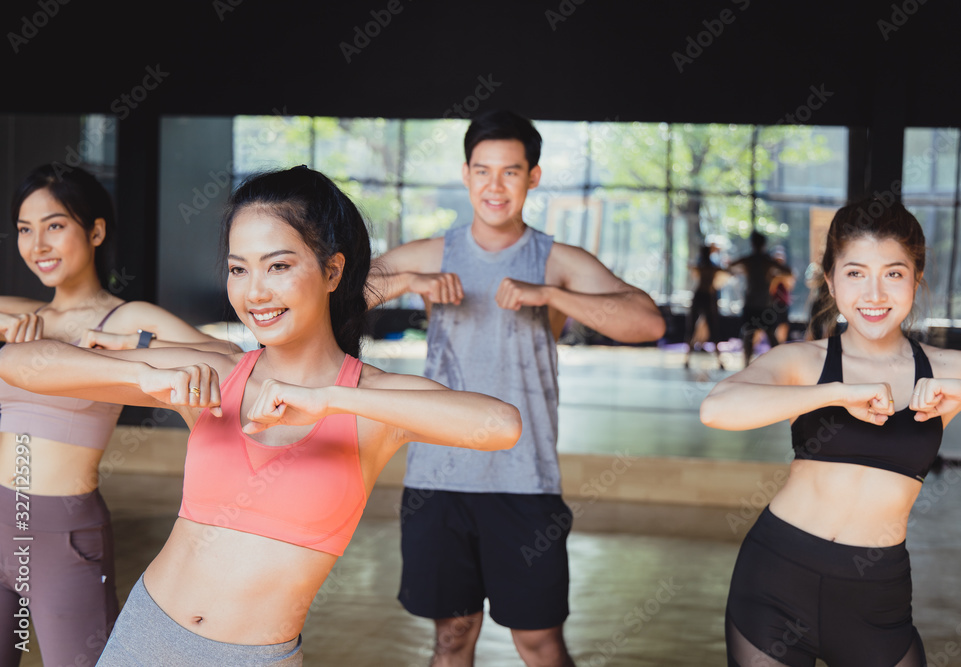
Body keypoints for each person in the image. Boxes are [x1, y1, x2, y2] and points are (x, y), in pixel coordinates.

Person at [0, 166, 522, 666]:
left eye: (278, 266)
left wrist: (330, 399)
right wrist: (144, 376)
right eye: (237, 269)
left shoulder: (374, 401)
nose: (255, 293)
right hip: (144, 639)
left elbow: (501, 426)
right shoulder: (220, 373)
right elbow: (18, 364)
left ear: (332, 270)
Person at [368, 110, 666, 667]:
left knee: (538, 642)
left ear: (533, 176)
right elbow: (332, 297)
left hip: (524, 481)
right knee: (452, 638)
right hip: (438, 479)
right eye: (482, 171)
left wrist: (549, 295)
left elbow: (646, 323)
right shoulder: (434, 253)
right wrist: (409, 282)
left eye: (510, 172)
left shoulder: (554, 261)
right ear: (465, 174)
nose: (494, 186)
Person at [700, 197, 961, 667]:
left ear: (916, 279)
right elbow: (717, 409)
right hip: (776, 579)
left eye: (894, 274)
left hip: (876, 596)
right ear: (830, 280)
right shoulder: (805, 361)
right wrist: (835, 393)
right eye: (856, 273)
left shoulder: (945, 369)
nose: (874, 294)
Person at [0, 163, 237, 666]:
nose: (37, 243)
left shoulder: (125, 318)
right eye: (25, 229)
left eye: (55, 225)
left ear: (96, 231)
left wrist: (132, 346)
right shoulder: (21, 316)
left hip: (60, 531)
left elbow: (230, 358)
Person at [728, 230, 792, 367]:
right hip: (763, 304)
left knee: (750, 335)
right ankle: (779, 363)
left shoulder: (750, 260)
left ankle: (746, 365)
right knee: (769, 335)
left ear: (752, 243)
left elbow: (731, 265)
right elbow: (787, 271)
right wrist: (774, 275)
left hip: (753, 304)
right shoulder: (767, 261)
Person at [685, 243, 729, 370]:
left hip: (702, 296)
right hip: (706, 297)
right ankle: (718, 361)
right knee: (710, 327)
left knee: (700, 327)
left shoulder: (703, 266)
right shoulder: (708, 267)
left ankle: (688, 359)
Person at [768, 245, 795, 344]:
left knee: (783, 325)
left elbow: (790, 285)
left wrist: (781, 278)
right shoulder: (770, 271)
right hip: (771, 303)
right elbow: (770, 288)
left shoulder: (787, 270)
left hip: (784, 302)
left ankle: (781, 344)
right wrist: (777, 279)